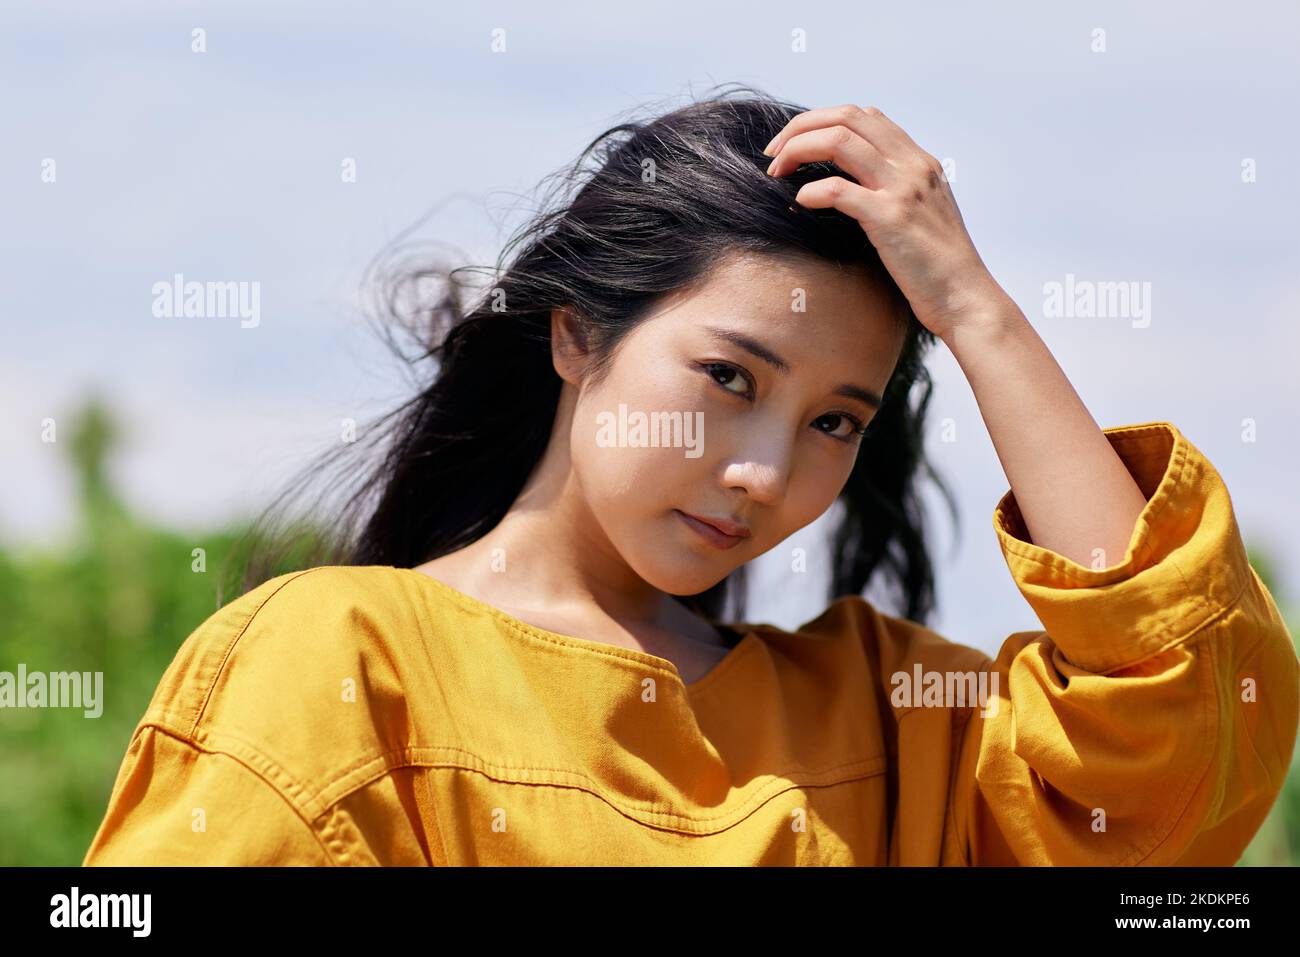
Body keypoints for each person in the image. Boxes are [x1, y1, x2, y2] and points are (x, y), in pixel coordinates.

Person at [82, 86, 1298, 866]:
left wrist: (976, 311)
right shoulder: (344, 665)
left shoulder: (893, 722)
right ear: (576, 336)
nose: (766, 471)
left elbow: (1185, 742)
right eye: (728, 378)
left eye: (837, 422)